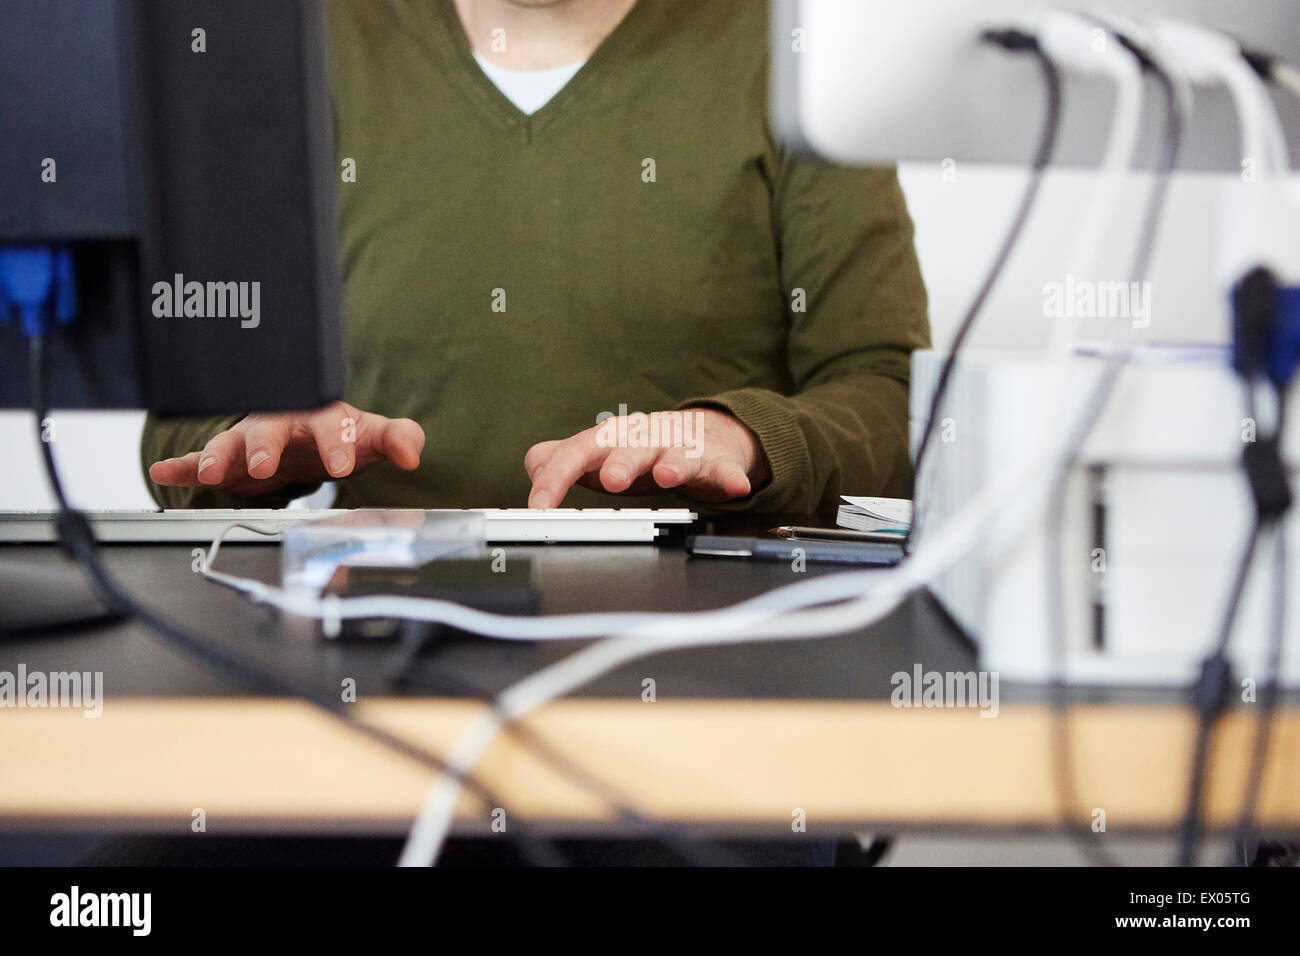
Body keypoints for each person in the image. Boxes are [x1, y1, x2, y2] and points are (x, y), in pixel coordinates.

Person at [141, 0, 930, 515]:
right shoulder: (305, 49)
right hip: (376, 642)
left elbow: (895, 403)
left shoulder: (794, 58)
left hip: (699, 651)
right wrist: (251, 434)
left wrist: (750, 440)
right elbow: (179, 420)